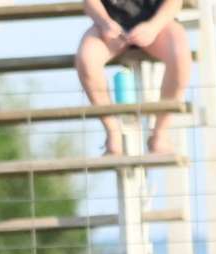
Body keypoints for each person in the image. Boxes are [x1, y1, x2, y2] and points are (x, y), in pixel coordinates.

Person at [75, 0, 192, 155]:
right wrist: (104, 23)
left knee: (181, 57)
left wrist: (153, 27)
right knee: (86, 60)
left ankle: (160, 134)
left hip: (158, 24)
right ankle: (113, 135)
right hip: (111, 26)